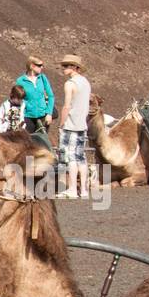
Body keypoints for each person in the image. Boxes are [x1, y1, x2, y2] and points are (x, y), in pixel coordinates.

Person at [55, 55, 92, 199]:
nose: (64, 69)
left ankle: (71, 189)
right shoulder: (86, 82)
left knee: (71, 158)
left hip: (70, 125)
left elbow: (67, 106)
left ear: (75, 68)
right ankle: (83, 190)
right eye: (64, 66)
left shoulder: (70, 84)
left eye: (67, 66)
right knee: (81, 158)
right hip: (82, 124)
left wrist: (61, 124)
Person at [15, 56, 54, 137]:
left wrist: (49, 113)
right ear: (32, 66)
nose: (42, 67)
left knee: (42, 143)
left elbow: (51, 96)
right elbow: (17, 99)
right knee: (28, 142)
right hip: (27, 117)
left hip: (43, 117)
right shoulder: (20, 81)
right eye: (39, 65)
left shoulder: (43, 78)